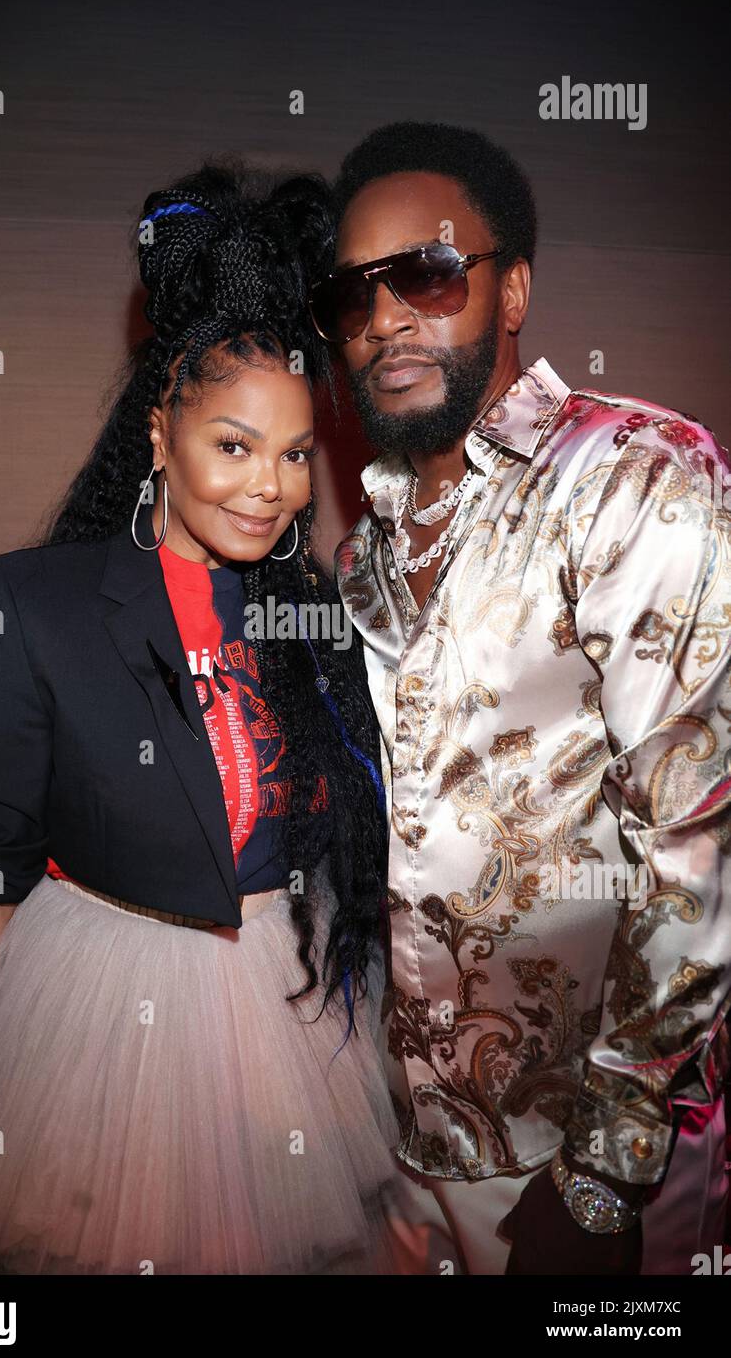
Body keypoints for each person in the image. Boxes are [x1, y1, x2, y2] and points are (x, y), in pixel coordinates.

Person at [0, 159, 432, 1275]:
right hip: (91, 1010)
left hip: (286, 1007)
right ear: (161, 427)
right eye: (232, 444)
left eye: (290, 453)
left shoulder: (310, 616)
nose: (267, 487)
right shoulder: (27, 602)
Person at [309, 120, 731, 1275]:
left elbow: (699, 843)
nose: (385, 316)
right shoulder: (366, 556)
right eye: (351, 294)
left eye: (428, 273)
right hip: (400, 1137)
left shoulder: (635, 478)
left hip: (583, 1153)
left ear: (511, 290)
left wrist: (608, 1165)